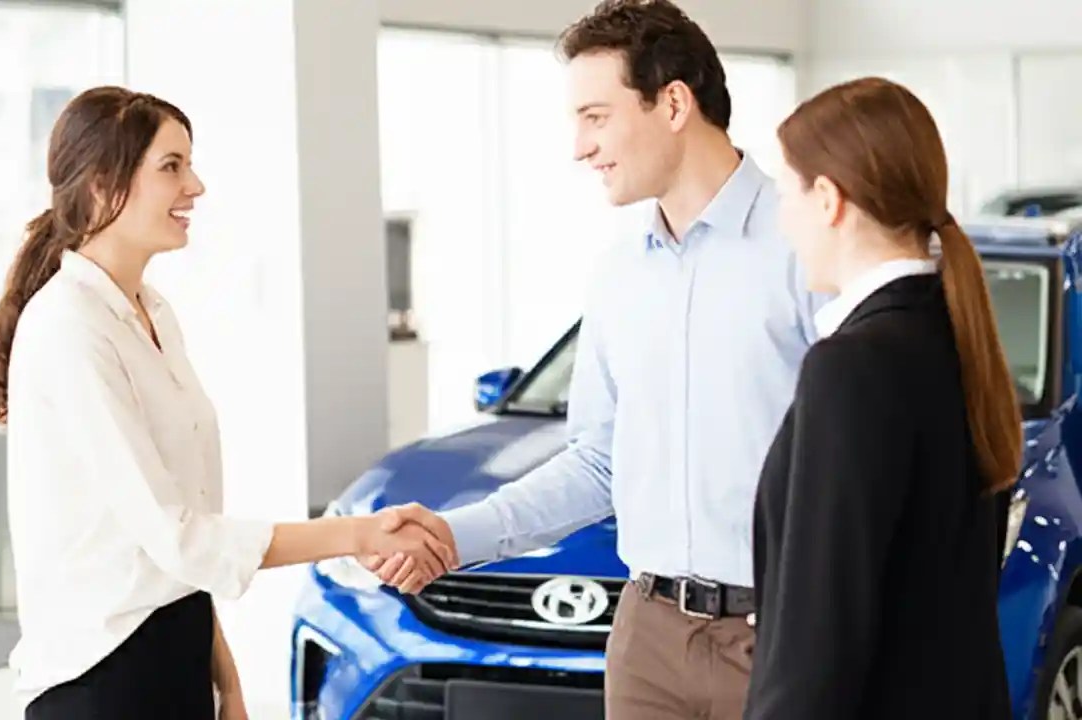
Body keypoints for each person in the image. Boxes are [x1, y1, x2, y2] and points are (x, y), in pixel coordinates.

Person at [368, 1, 822, 717]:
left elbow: (866, 456)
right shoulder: (620, 274)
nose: (580, 147)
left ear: (673, 102)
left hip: (783, 633)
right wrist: (458, 535)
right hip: (647, 639)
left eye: (596, 116)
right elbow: (600, 461)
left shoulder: (806, 243)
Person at [0, 86, 455, 720]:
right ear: (101, 186)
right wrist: (354, 533)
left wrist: (221, 671)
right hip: (100, 679)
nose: (195, 185)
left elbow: (174, 538)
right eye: (171, 166)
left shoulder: (153, 314)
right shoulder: (68, 327)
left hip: (173, 650)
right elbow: (179, 538)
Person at [744, 76, 1017, 719]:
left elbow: (820, 634)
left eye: (786, 195)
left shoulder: (851, 368)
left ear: (830, 199)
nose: (782, 223)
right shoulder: (955, 335)